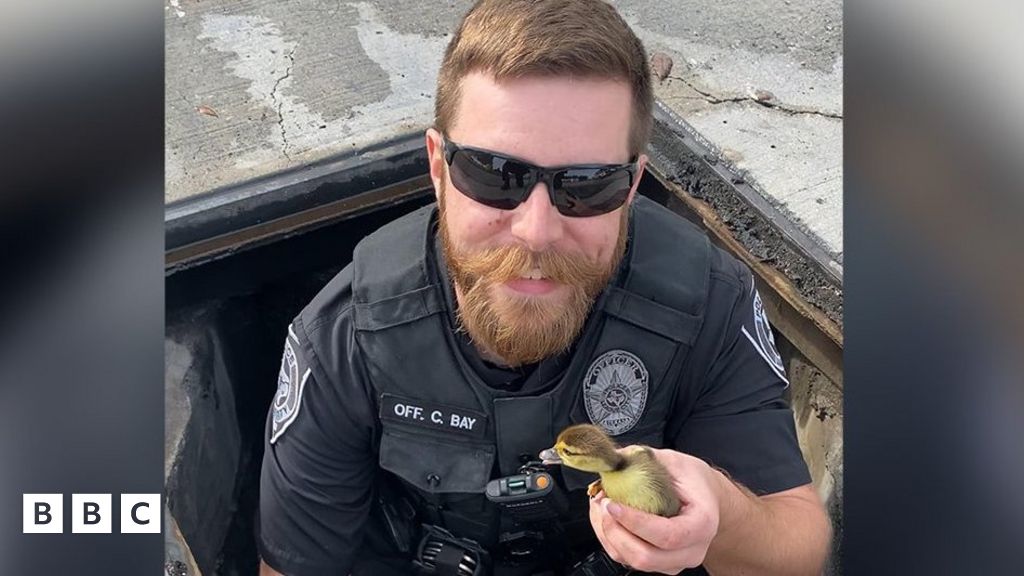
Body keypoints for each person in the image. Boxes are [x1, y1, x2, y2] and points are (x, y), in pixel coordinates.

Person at [258, 1, 831, 574]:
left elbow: (797, 547)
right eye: (492, 174)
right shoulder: (342, 337)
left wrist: (720, 513)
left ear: (632, 185)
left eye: (586, 184)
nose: (536, 231)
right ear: (437, 166)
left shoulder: (709, 303)